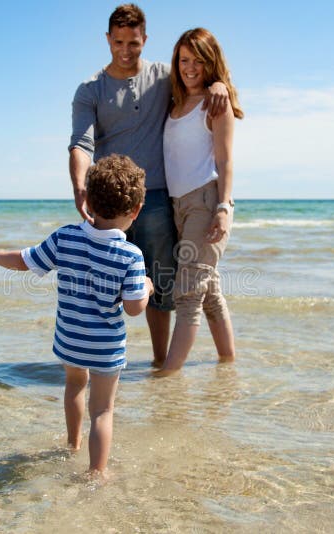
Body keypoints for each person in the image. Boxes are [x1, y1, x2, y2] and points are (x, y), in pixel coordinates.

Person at [69, 4, 229, 368]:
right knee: (102, 285)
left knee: (161, 287)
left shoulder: (162, 76)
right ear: (108, 39)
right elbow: (81, 142)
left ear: (145, 40)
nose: (126, 51)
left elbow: (197, 72)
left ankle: (160, 363)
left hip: (157, 198)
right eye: (119, 42)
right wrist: (81, 187)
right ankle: (93, 360)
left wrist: (218, 83)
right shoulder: (89, 90)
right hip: (108, 203)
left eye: (134, 43)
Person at [0, 154, 153, 476]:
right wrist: (148, 288)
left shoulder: (66, 237)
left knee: (74, 386)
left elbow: (27, 261)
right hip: (105, 346)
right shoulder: (132, 255)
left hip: (70, 337)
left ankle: (72, 444)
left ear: (88, 201)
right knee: (102, 409)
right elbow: (133, 308)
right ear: (135, 211)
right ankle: (96, 473)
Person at [153, 28, 244, 377]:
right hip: (179, 206)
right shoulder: (175, 102)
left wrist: (223, 208)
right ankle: (228, 364)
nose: (190, 68)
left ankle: (167, 377)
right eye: (184, 60)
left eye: (198, 61)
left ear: (211, 63)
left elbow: (225, 161)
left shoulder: (215, 103)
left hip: (207, 202)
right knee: (208, 291)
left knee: (188, 292)